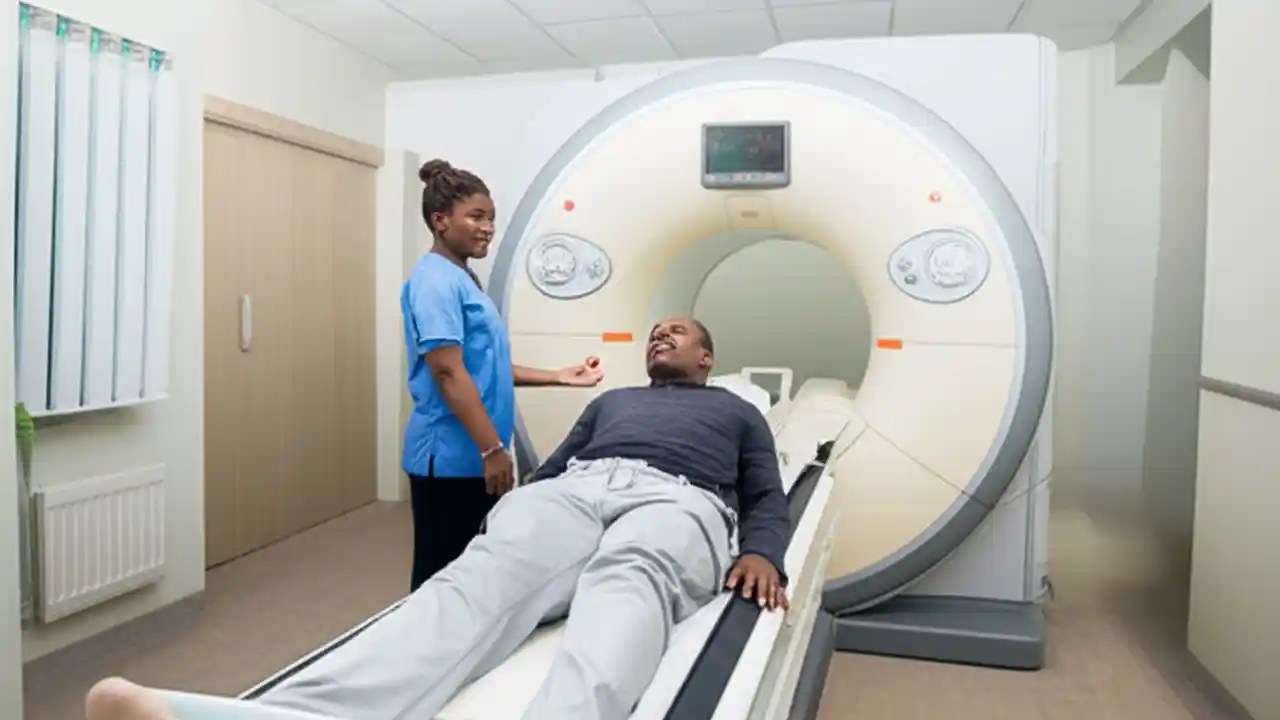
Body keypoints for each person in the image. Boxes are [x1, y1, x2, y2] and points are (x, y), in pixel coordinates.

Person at [84, 315, 790, 720]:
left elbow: (764, 490)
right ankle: (287, 718)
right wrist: (520, 510)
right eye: (656, 331)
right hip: (578, 488)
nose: (662, 336)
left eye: (679, 333)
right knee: (475, 582)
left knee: (629, 582)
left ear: (708, 357)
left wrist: (762, 550)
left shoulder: (736, 410)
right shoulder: (612, 403)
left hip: (677, 497)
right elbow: (558, 464)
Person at [404, 159, 603, 591]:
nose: (488, 227)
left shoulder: (463, 278)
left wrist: (558, 376)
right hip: (452, 456)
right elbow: (447, 372)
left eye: (491, 218)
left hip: (471, 452)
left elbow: (483, 367)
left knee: (475, 570)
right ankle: (427, 654)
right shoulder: (434, 282)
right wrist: (492, 449)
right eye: (476, 216)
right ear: (440, 221)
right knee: (443, 577)